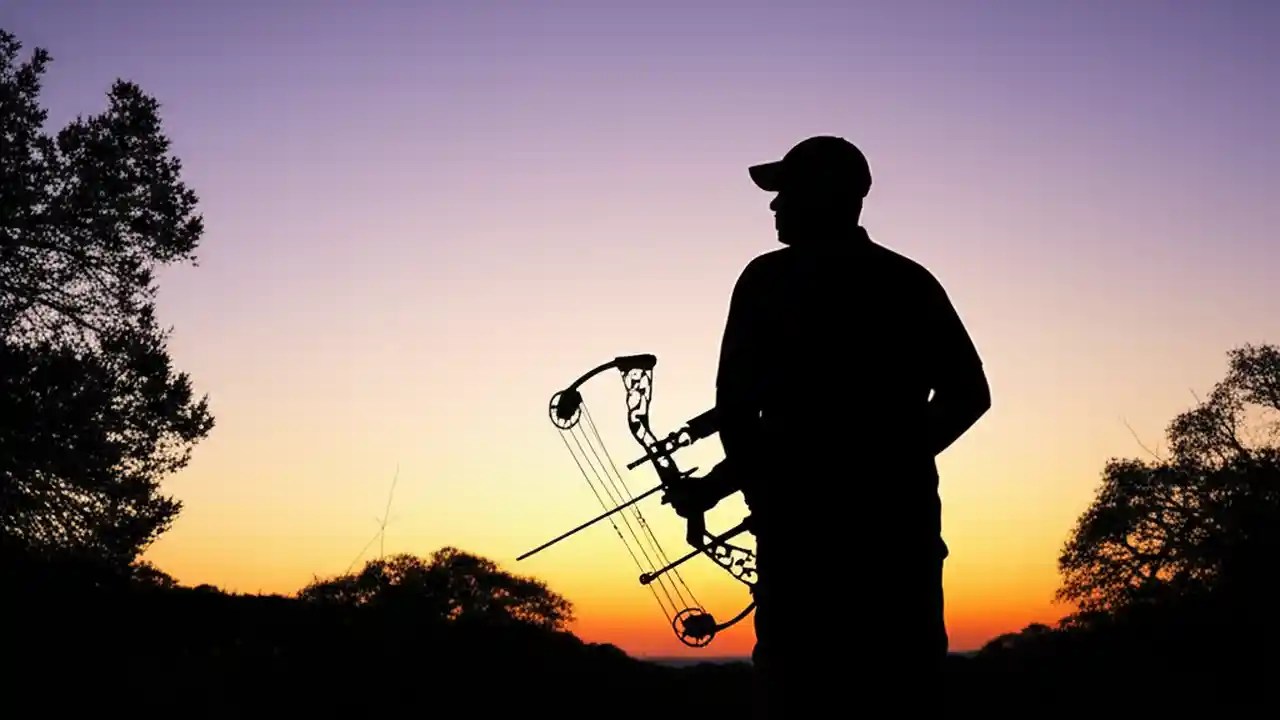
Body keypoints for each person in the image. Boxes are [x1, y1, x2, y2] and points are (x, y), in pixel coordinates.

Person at [673, 135, 991, 716]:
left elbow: (742, 413)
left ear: (825, 196)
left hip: (808, 545)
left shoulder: (767, 280)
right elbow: (968, 395)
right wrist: (891, 462)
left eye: (786, 192)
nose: (775, 205)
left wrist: (741, 488)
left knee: (802, 695)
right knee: (903, 691)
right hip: (897, 537)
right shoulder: (908, 280)